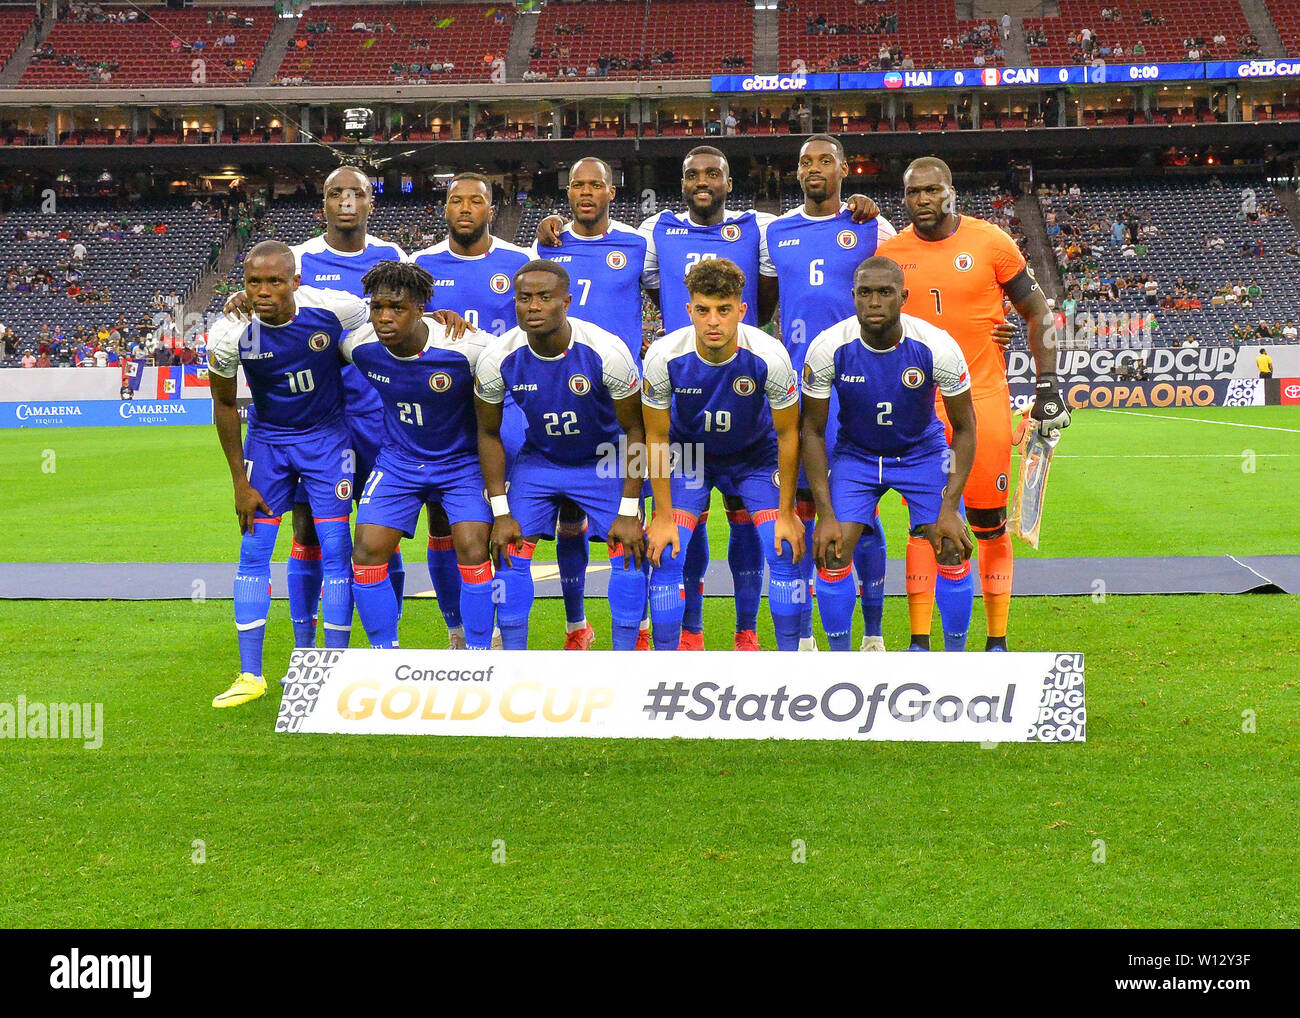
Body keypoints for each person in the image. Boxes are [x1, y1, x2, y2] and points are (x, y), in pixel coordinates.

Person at [878, 157, 1068, 652]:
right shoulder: (890, 252)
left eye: (931, 190)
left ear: (951, 192)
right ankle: (920, 644)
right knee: (924, 526)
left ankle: (997, 642)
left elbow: (1037, 311)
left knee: (988, 526)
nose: (922, 200)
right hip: (919, 407)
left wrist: (1048, 385)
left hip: (982, 400)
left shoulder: (991, 242)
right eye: (912, 192)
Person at [206, 241, 367, 708]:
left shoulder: (335, 310)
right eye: (254, 282)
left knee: (337, 551)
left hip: (327, 443)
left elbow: (384, 321)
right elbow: (223, 403)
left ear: (295, 281)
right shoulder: (230, 334)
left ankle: (332, 668)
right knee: (253, 552)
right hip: (268, 446)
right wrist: (239, 480)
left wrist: (437, 321)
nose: (264, 291)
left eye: (275, 281)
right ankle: (250, 675)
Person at [763, 134, 897, 650]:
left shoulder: (871, 225)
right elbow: (765, 303)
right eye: (805, 162)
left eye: (825, 161)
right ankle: (801, 639)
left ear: (845, 169)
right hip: (795, 389)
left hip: (858, 388)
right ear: (796, 173)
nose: (814, 168)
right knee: (796, 508)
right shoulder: (774, 232)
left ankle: (873, 634)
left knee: (858, 509)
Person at [801, 256, 975, 651]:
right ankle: (842, 663)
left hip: (922, 453)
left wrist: (949, 506)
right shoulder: (829, 346)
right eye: (865, 293)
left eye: (885, 293)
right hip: (857, 456)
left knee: (950, 546)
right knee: (831, 550)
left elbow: (965, 427)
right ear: (853, 297)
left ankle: (956, 662)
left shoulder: (937, 346)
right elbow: (811, 431)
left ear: (903, 298)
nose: (874, 302)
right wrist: (825, 513)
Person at [473, 260, 647, 650]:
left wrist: (631, 506)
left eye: (544, 298)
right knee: (508, 547)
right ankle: (514, 660)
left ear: (566, 302)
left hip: (603, 460)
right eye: (524, 298)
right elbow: (487, 432)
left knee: (629, 548)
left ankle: (627, 657)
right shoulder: (497, 357)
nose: (533, 306)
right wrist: (501, 512)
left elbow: (637, 429)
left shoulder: (606, 351)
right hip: (542, 461)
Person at [643, 257, 805, 650]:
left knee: (783, 551)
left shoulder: (770, 355)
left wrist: (787, 512)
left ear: (742, 310)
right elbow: (655, 438)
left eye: (723, 310)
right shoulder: (663, 356)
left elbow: (788, 435)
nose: (713, 321)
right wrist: (662, 515)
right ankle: (670, 659)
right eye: (703, 310)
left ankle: (760, 643)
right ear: (689, 311)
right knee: (664, 552)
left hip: (754, 458)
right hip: (690, 458)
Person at [529, 157, 653, 650]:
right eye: (576, 184)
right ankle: (576, 626)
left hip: (624, 402)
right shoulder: (545, 244)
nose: (585, 192)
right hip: (558, 397)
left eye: (594, 185)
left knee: (640, 514)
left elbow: (669, 303)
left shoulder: (637, 245)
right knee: (568, 521)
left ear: (611, 192)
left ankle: (640, 628)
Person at [344, 262, 495, 650]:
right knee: (366, 550)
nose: (384, 317)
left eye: (397, 308)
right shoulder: (358, 345)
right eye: (377, 307)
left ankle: (480, 650)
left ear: (422, 307)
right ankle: (384, 654)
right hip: (399, 461)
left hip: (462, 463)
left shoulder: (467, 347)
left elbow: (505, 385)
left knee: (473, 546)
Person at [410, 173, 533, 646]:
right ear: (444, 209)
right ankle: (457, 629)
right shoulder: (420, 264)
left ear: (491, 209)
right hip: (444, 414)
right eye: (455, 201)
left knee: (506, 518)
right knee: (443, 522)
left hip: (507, 411)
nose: (465, 208)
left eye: (475, 201)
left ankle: (505, 629)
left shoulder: (519, 261)